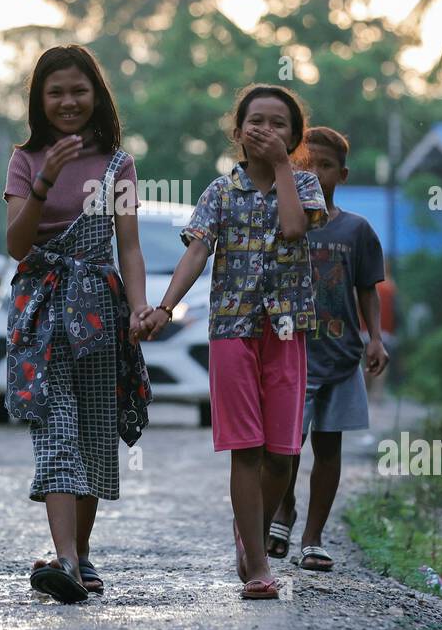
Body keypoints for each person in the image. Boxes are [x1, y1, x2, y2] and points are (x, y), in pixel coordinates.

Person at [140, 85, 327, 599]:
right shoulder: (219, 193)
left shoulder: (306, 185)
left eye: (279, 123)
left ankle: (252, 536)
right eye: (256, 121)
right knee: (245, 448)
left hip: (286, 328)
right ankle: (260, 562)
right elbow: (197, 254)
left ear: (294, 137)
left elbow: (292, 228)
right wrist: (164, 306)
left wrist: (283, 168)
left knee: (282, 454)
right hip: (232, 328)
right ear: (238, 131)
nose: (265, 129)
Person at [2, 44, 153, 603]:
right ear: (40, 99)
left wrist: (139, 308)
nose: (68, 101)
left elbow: (129, 247)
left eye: (79, 90)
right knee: (56, 428)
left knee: (92, 432)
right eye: (56, 91)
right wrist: (45, 180)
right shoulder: (24, 159)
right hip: (41, 313)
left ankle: (79, 556)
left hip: (99, 313)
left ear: (97, 95)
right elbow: (17, 245)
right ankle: (64, 558)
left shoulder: (118, 164)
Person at [267, 127, 388, 570]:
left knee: (329, 447)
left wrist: (374, 337)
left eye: (325, 165)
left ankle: (313, 537)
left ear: (343, 173)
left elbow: (367, 290)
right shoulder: (282, 221)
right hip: (291, 353)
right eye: (304, 164)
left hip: (339, 357)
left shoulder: (357, 230)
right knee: (286, 446)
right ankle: (283, 510)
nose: (314, 173)